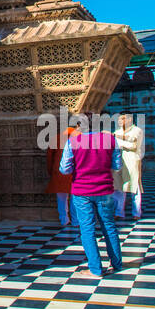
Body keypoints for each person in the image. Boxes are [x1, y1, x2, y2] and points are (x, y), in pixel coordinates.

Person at [59, 113, 124, 277]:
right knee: (108, 226)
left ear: (79, 126)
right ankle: (116, 264)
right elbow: (117, 165)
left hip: (82, 191)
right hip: (104, 189)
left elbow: (65, 169)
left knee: (87, 229)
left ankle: (95, 268)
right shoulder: (110, 140)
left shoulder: (73, 142)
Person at [44, 121, 79, 227]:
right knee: (75, 198)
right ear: (77, 126)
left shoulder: (56, 138)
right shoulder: (81, 138)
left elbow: (49, 157)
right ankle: (76, 220)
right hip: (76, 172)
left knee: (62, 198)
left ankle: (64, 219)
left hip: (59, 171)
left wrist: (50, 171)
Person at [113, 113, 144, 219]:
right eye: (119, 119)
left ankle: (136, 212)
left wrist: (120, 141)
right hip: (120, 161)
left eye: (123, 118)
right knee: (119, 187)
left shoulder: (137, 130)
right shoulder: (117, 132)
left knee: (134, 186)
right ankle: (119, 212)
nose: (120, 121)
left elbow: (133, 144)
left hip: (132, 161)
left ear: (130, 119)